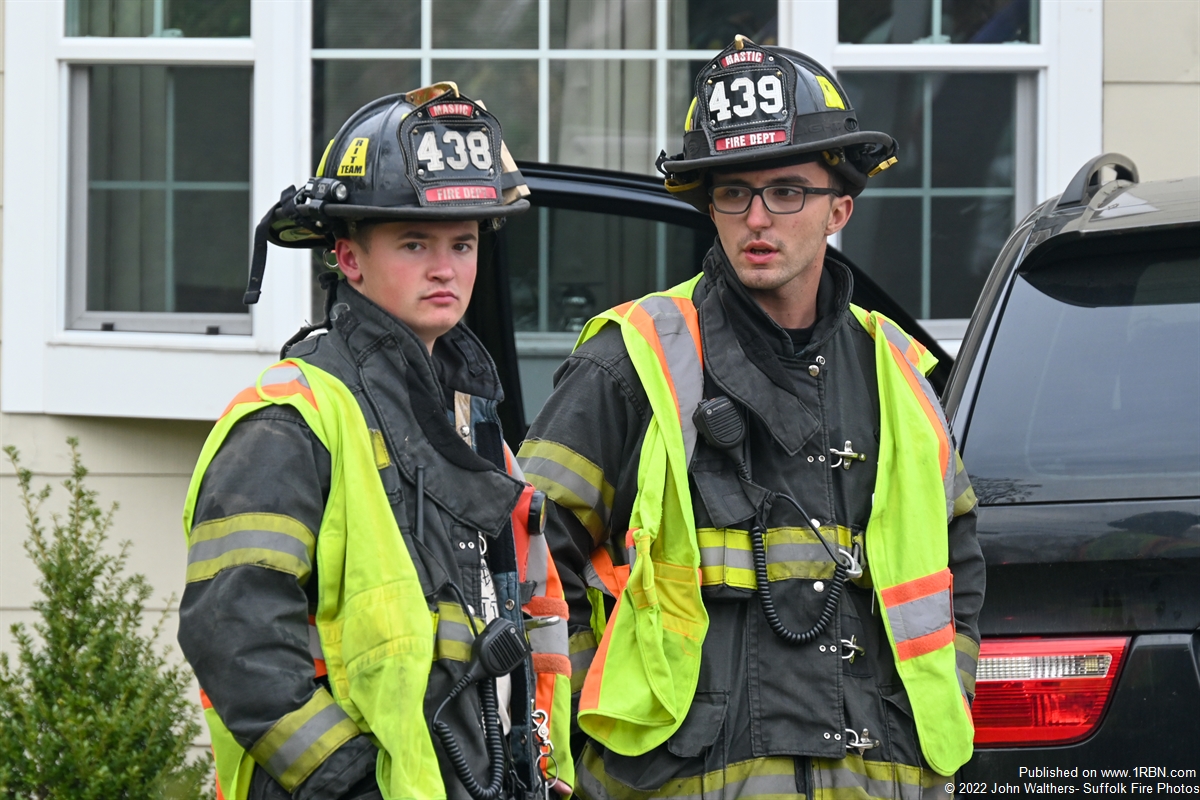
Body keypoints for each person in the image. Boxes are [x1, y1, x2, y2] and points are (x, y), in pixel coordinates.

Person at [519, 37, 985, 800]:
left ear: (841, 206)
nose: (756, 218)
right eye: (733, 192)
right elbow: (529, 548)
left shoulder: (897, 371)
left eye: (786, 191)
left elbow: (955, 561)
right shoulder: (632, 358)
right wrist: (582, 717)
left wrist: (943, 696)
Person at [178, 84, 573, 800]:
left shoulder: (475, 424)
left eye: (463, 243)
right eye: (414, 243)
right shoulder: (289, 421)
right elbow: (234, 637)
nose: (446, 268)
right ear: (349, 259)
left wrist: (538, 769)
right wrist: (350, 783)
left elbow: (530, 617)